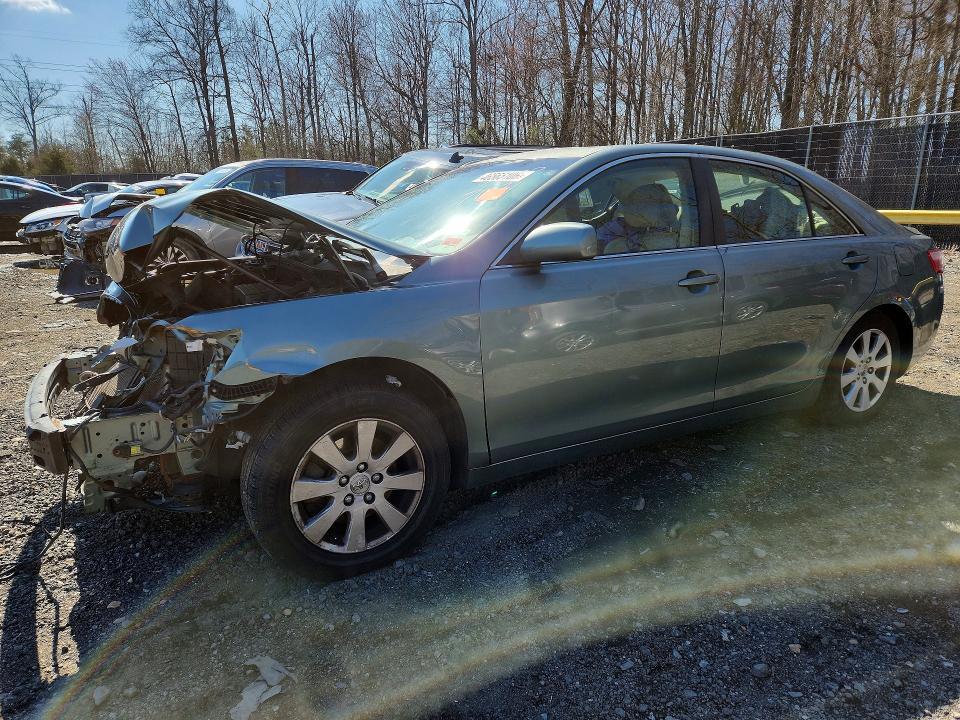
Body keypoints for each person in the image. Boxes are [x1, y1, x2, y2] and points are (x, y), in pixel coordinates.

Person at [596, 183, 680, 254]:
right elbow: (596, 244)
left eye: (648, 204)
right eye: (633, 203)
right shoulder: (616, 226)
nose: (634, 209)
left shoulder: (668, 233)